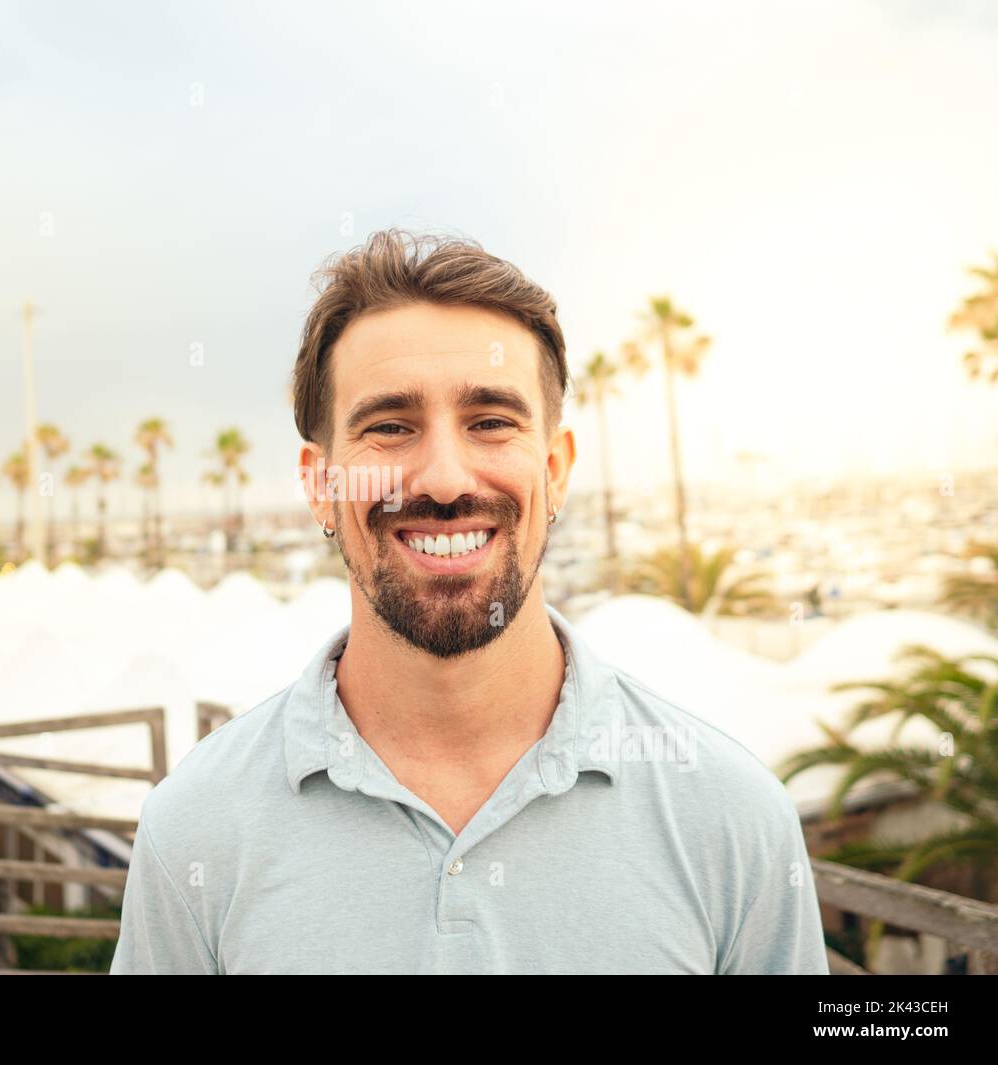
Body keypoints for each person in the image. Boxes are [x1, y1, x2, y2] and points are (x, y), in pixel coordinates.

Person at [109, 229, 829, 974]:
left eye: (490, 422)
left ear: (554, 469)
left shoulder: (733, 818)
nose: (446, 479)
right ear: (321, 484)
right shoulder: (193, 831)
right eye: (390, 426)